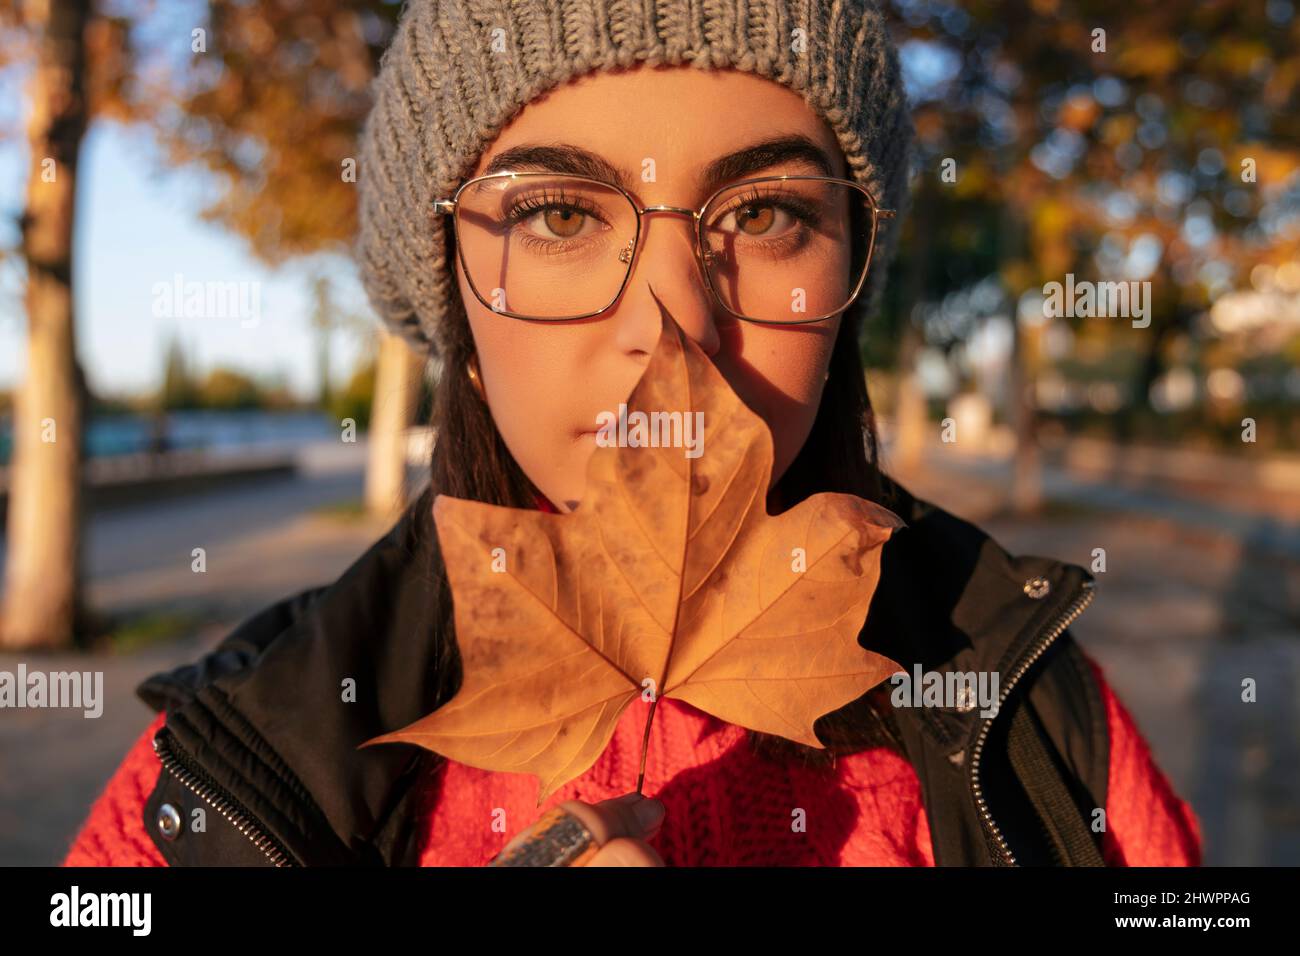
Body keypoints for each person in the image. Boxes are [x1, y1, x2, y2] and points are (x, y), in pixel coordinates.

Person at [62, 0, 1201, 867]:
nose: (673, 327)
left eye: (764, 214)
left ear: (850, 275)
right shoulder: (228, 767)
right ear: (446, 290)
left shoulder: (1037, 709)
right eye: (557, 213)